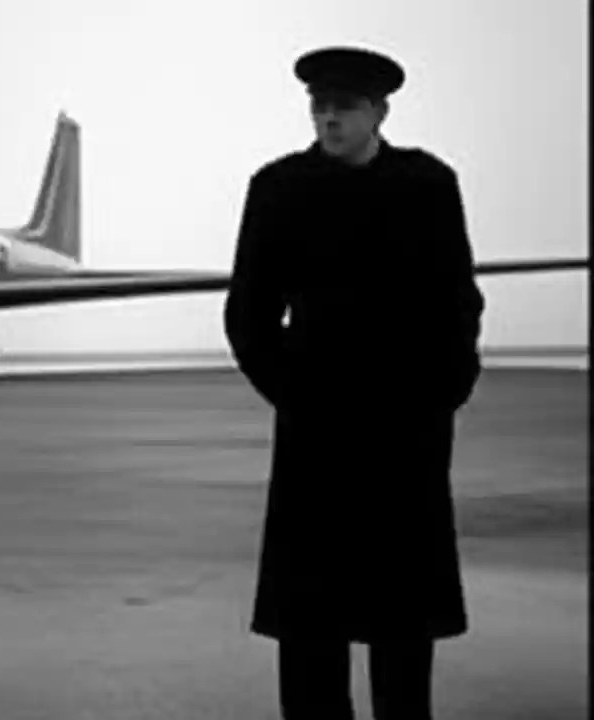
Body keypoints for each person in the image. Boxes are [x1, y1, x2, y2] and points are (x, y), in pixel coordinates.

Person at [223, 46, 485, 720]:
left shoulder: (427, 184)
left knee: (403, 618)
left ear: (379, 111)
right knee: (312, 619)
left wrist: (443, 391)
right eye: (319, 105)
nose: (328, 117)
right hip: (318, 430)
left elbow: (459, 299)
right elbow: (248, 314)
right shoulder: (278, 188)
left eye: (344, 105)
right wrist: (297, 393)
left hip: (409, 430)